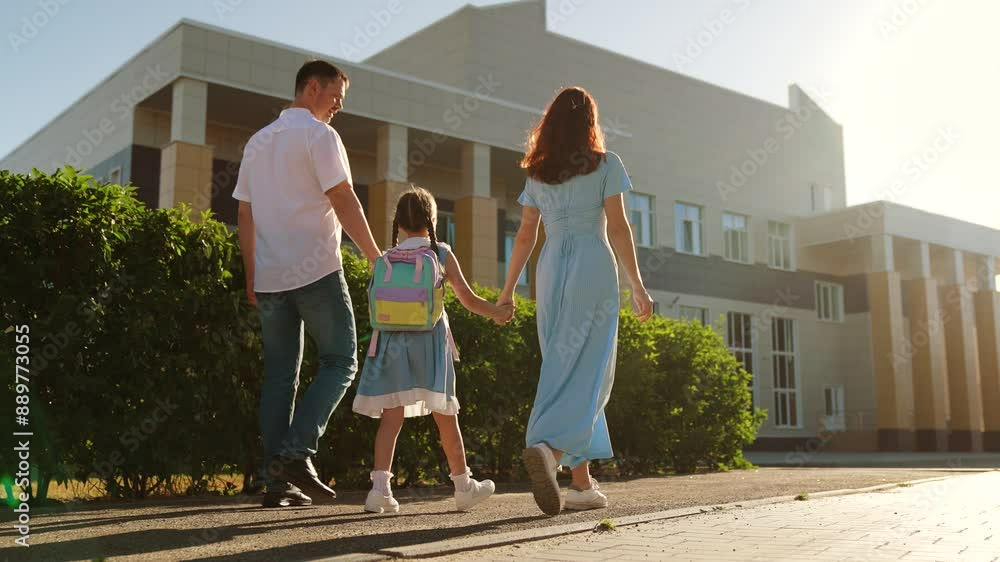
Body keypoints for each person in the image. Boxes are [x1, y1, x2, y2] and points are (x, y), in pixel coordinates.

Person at [498, 87, 654, 516]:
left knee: (562, 366)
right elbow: (619, 227)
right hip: (592, 266)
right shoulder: (606, 165)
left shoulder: (538, 173)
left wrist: (508, 290)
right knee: (592, 371)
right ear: (589, 121)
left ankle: (582, 485)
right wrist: (637, 285)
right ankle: (547, 448)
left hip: (549, 272)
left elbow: (526, 235)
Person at [233, 60, 382, 508]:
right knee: (342, 360)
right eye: (336, 94)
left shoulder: (257, 143)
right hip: (316, 271)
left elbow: (245, 213)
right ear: (312, 87)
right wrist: (376, 256)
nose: (339, 105)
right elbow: (342, 197)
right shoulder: (320, 136)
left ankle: (277, 483)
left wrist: (251, 273)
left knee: (280, 377)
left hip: (273, 276)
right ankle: (297, 453)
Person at [352, 187, 511, 513]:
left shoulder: (387, 259)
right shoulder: (440, 253)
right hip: (430, 344)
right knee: (445, 416)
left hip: (391, 344)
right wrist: (498, 312)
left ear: (398, 222)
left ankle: (379, 490)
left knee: (390, 418)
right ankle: (463, 486)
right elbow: (468, 300)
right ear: (432, 220)